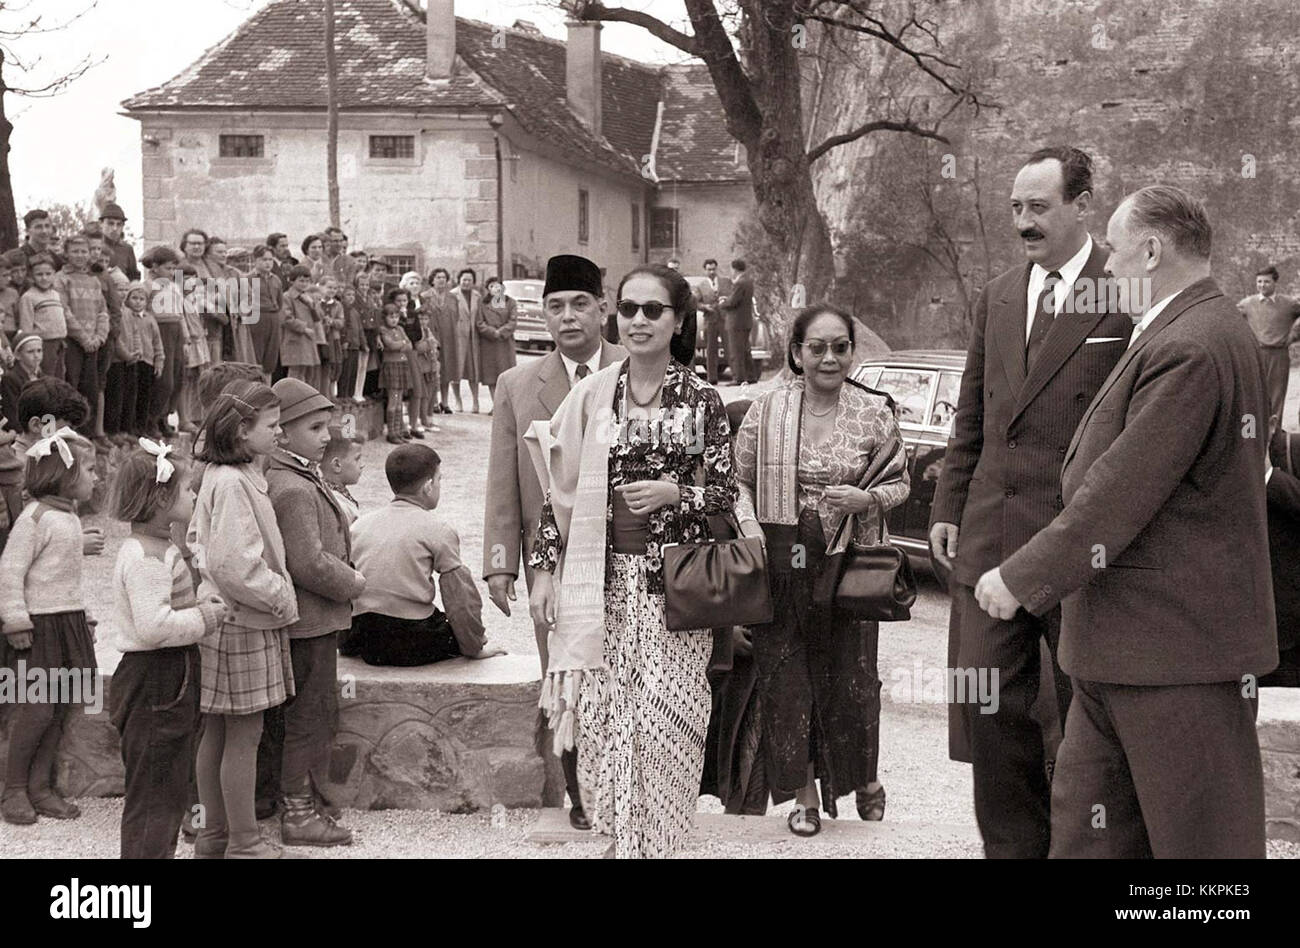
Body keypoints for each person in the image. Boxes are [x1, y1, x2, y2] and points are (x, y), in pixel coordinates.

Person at [976, 185, 1277, 858]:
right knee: (1090, 840)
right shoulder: (1186, 330)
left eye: (1114, 249)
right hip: (1126, 652)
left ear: (1151, 249)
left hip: (1175, 657)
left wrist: (1022, 576)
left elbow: (1119, 493)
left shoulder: (1193, 344)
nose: (1107, 267)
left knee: (1202, 855)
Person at [927, 146, 1132, 859]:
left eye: (1038, 207)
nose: (1023, 223)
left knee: (1087, 716)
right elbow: (972, 419)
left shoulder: (1125, 292)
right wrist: (949, 505)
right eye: (1015, 208)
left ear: (1083, 205)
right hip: (991, 534)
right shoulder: (999, 294)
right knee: (990, 710)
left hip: (1080, 544)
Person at [527, 263, 735, 859]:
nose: (638, 321)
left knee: (668, 724)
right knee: (605, 723)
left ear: (677, 321)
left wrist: (677, 494)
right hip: (601, 586)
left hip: (674, 589)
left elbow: (725, 497)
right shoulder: (594, 394)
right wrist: (545, 570)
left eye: (653, 310)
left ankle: (664, 847)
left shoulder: (701, 399)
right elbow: (557, 493)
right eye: (628, 309)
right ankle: (619, 845)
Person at [733, 305, 908, 835]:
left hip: (847, 566)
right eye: (817, 347)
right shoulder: (767, 410)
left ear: (852, 352)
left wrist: (867, 498)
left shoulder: (874, 413)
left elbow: (900, 484)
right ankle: (804, 796)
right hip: (783, 564)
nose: (829, 357)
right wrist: (749, 525)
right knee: (788, 681)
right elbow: (735, 481)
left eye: (839, 347)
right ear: (796, 353)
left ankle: (864, 778)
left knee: (851, 682)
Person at [483, 253, 626, 829]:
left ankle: (627, 785)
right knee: (563, 673)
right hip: (553, 565)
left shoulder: (639, 368)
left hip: (627, 555)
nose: (568, 318)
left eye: (580, 305)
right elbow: (501, 478)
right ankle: (579, 795)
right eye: (555, 307)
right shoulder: (518, 385)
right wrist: (499, 564)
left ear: (603, 308)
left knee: (624, 667)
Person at [187, 381, 298, 859]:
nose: (280, 434)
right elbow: (235, 562)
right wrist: (280, 596)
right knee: (245, 735)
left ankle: (213, 837)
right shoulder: (233, 483)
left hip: (223, 619)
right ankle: (245, 843)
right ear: (242, 430)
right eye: (272, 426)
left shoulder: (220, 475)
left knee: (218, 730)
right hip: (244, 621)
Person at [107, 443, 226, 857]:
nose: (194, 497)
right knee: (156, 790)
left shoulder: (161, 549)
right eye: (188, 491)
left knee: (168, 785)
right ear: (160, 499)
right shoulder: (146, 558)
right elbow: (154, 626)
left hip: (168, 674)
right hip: (155, 678)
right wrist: (205, 618)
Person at [265, 378, 364, 847]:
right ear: (282, 433)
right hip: (309, 621)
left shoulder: (294, 475)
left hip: (309, 620)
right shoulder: (292, 488)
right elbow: (308, 562)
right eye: (316, 427)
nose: (328, 436)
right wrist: (357, 584)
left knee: (300, 716)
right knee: (310, 716)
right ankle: (298, 814)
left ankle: (286, 799)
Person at [0, 427, 97, 825]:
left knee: (60, 708)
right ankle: (14, 788)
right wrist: (15, 619)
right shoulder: (35, 518)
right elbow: (10, 570)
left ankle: (41, 787)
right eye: (90, 470)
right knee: (36, 709)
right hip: (38, 628)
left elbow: (66, 578)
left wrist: (83, 615)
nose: (96, 477)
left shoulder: (68, 518)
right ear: (63, 474)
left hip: (66, 623)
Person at [346, 444, 500, 666]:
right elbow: (460, 599)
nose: (439, 485)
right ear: (428, 487)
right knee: (450, 628)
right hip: (411, 638)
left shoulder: (360, 526)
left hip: (364, 637)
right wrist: (474, 646)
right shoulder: (438, 529)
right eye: (439, 479)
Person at [700, 397, 768, 815]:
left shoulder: (769, 498)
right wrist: (724, 630)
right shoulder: (703, 495)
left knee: (746, 754)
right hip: (708, 652)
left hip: (753, 658)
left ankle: (741, 821)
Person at [57, 235, 111, 443]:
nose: (80, 256)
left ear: (90, 254)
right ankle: (70, 434)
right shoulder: (61, 279)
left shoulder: (93, 281)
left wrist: (99, 337)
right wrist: (83, 338)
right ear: (67, 254)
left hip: (93, 344)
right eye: (75, 251)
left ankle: (88, 434)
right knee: (72, 385)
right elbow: (64, 311)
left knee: (91, 387)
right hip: (73, 342)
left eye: (84, 251)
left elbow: (102, 311)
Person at [1238, 265, 1300, 428]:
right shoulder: (1247, 304)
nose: (1262, 285)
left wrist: (1294, 334)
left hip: (1279, 355)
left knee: (1276, 397)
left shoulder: (1289, 304)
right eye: (1259, 282)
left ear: (1275, 283)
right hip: (1255, 354)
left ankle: (1274, 439)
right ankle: (1249, 435)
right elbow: (1231, 320)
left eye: (1266, 282)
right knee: (1251, 395)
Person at [1264, 419, 1300, 688]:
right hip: (1243, 632)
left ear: (1272, 423)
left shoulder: (1293, 450)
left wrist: (1269, 477)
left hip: (1291, 634)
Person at [106, 283, 164, 442]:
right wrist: (132, 355)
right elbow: (124, 336)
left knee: (145, 397)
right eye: (134, 298)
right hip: (130, 361)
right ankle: (128, 428)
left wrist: (159, 361)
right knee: (130, 396)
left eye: (141, 299)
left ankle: (142, 427)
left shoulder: (149, 319)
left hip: (147, 362)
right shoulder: (125, 314)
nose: (138, 302)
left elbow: (156, 342)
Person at [141, 246, 187, 435]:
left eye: (174, 268)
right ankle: (151, 419)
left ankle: (164, 417)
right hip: (160, 330)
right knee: (163, 379)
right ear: (154, 267)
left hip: (176, 330)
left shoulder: (174, 286)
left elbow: (180, 312)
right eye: (168, 268)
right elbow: (146, 313)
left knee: (178, 377)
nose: (172, 272)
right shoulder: (147, 286)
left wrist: (186, 339)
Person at [18, 254, 68, 381]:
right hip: (42, 345)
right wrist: (31, 349)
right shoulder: (28, 297)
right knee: (46, 379)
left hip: (60, 343)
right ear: (32, 276)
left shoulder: (56, 294)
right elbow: (26, 326)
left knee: (60, 378)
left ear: (54, 274)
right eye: (39, 274)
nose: (44, 278)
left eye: (48, 274)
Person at [475, 275, 517, 407]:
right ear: (488, 289)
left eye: (497, 285)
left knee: (506, 375)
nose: (495, 288)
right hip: (489, 344)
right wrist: (492, 332)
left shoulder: (511, 302)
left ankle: (505, 406)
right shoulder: (482, 304)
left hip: (505, 343)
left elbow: (513, 321)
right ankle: (495, 405)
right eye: (491, 286)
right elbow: (479, 322)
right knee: (491, 376)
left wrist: (502, 332)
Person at [377, 301, 415, 444]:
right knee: (393, 400)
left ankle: (399, 430)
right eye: (391, 316)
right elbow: (391, 345)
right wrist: (402, 344)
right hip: (391, 366)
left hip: (402, 365)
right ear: (385, 317)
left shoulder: (400, 329)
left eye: (396, 316)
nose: (394, 319)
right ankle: (391, 433)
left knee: (399, 400)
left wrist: (402, 344)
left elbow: (410, 345)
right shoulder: (383, 330)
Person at [279, 264, 321, 389]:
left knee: (305, 372)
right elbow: (286, 318)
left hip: (307, 340)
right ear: (292, 281)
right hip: (295, 339)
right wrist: (304, 328)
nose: (304, 284)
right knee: (294, 372)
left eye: (307, 281)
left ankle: (302, 399)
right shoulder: (287, 297)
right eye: (301, 281)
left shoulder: (308, 297)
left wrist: (312, 305)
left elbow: (317, 317)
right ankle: (291, 397)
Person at [423, 267, 458, 414]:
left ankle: (445, 401)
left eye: (444, 277)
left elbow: (456, 317)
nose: (441, 280)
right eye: (438, 277)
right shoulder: (425, 296)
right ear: (432, 280)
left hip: (448, 336)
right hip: (432, 336)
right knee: (433, 368)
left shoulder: (452, 298)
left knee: (447, 369)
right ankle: (434, 402)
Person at [718, 258, 758, 385]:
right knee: (746, 350)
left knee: (735, 351)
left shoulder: (739, 283)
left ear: (734, 269)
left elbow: (733, 302)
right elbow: (739, 299)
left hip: (736, 322)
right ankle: (751, 376)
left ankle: (738, 378)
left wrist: (723, 303)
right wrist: (728, 298)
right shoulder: (749, 281)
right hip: (746, 321)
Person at [249, 245, 284, 382]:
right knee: (256, 356)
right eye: (264, 259)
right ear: (255, 260)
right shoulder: (248, 279)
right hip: (256, 318)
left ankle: (267, 390)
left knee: (271, 357)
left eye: (270, 259)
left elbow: (280, 303)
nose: (268, 263)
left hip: (273, 318)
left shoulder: (276, 280)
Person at [693, 258, 730, 385]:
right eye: (709, 269)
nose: (712, 272)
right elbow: (696, 303)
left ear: (716, 268)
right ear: (705, 270)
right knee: (711, 350)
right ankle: (712, 378)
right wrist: (705, 307)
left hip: (724, 320)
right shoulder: (700, 286)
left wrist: (726, 300)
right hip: (710, 320)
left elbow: (732, 296)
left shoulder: (725, 282)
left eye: (714, 269)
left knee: (729, 347)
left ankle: (737, 376)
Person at [452, 268, 482, 413]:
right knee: (456, 371)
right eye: (464, 279)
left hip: (473, 338)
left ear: (473, 282)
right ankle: (458, 401)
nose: (466, 282)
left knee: (473, 372)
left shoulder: (477, 296)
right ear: (459, 280)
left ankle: (476, 401)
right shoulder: (453, 295)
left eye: (469, 280)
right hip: (457, 337)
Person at [321, 426, 364, 524]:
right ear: (337, 465)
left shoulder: (336, 492)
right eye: (357, 459)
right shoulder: (338, 506)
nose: (362, 465)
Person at [99, 203, 140, 282]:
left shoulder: (127, 249)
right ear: (101, 223)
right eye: (110, 223)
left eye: (119, 224)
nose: (114, 228)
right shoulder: (94, 247)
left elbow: (133, 277)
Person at [19, 209, 64, 274]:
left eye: (47, 226)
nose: (44, 231)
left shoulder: (57, 260)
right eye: (38, 227)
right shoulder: (15, 258)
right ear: (27, 231)